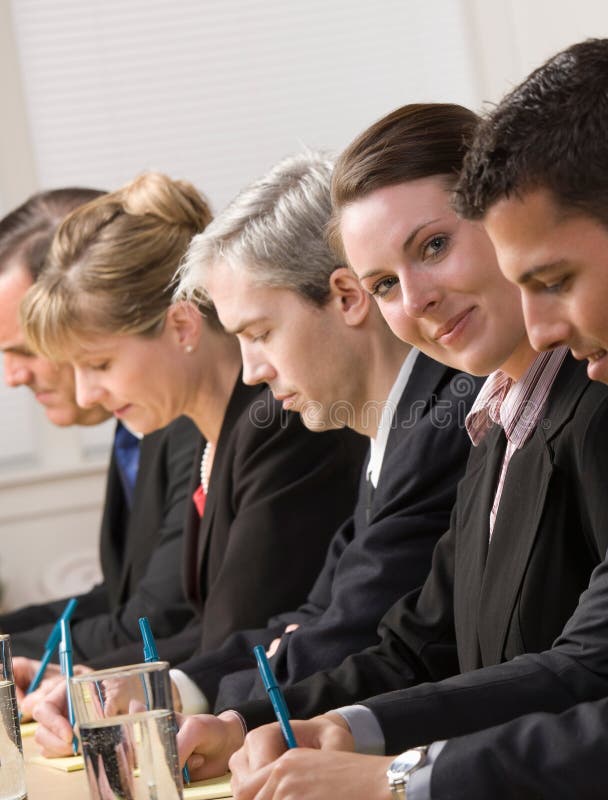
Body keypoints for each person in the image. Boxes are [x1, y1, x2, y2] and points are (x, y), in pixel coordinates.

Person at [225, 38, 608, 800]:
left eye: (555, 281)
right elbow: (587, 664)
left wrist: (398, 782)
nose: (541, 328)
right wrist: (352, 729)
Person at [176, 104, 608, 780]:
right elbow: (419, 645)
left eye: (434, 247)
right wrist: (259, 726)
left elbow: (604, 677)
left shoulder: (605, 410)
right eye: (386, 285)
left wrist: (397, 781)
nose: (416, 298)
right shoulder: (491, 426)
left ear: (507, 222)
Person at [18, 172, 365, 756]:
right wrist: (90, 679)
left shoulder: (277, 422)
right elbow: (202, 629)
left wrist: (108, 685)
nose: (84, 394)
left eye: (98, 364)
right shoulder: (207, 435)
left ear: (181, 326)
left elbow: (236, 631)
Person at [163, 151, 477, 715]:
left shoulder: (442, 426)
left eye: (260, 333)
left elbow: (339, 643)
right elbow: (311, 618)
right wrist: (175, 688)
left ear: (347, 297)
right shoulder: (389, 432)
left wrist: (224, 703)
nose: (251, 372)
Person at [0, 188, 199, 671]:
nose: (12, 377)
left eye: (25, 350)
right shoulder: (134, 423)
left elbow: (155, 618)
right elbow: (121, 594)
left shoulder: (183, 417)